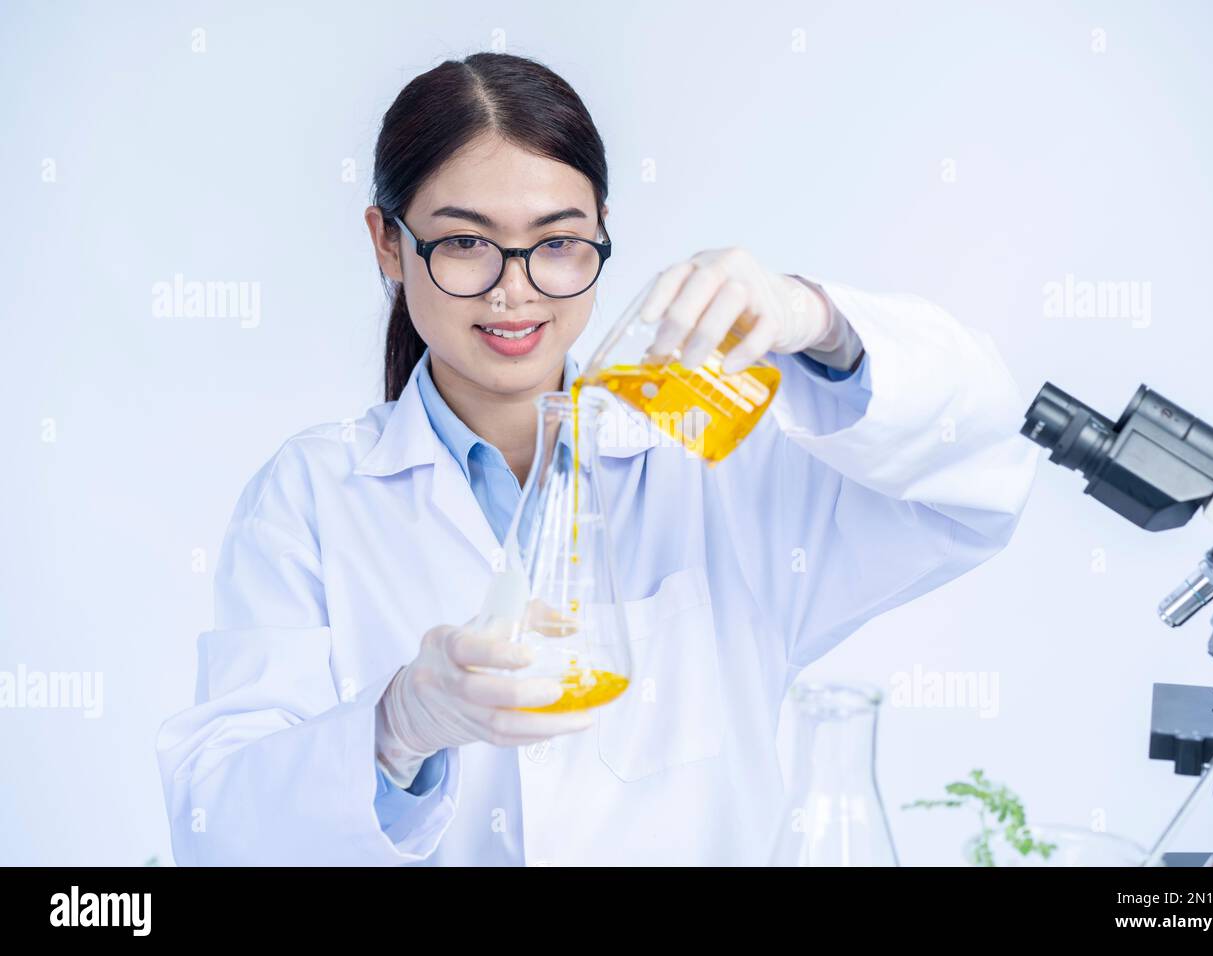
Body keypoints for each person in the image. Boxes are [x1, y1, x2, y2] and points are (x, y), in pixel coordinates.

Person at [156, 52, 1037, 866]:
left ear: (602, 233)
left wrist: (819, 322)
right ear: (389, 242)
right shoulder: (311, 496)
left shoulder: (716, 464)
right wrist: (395, 729)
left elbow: (980, 475)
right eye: (464, 242)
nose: (515, 288)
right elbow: (215, 824)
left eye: (557, 242)